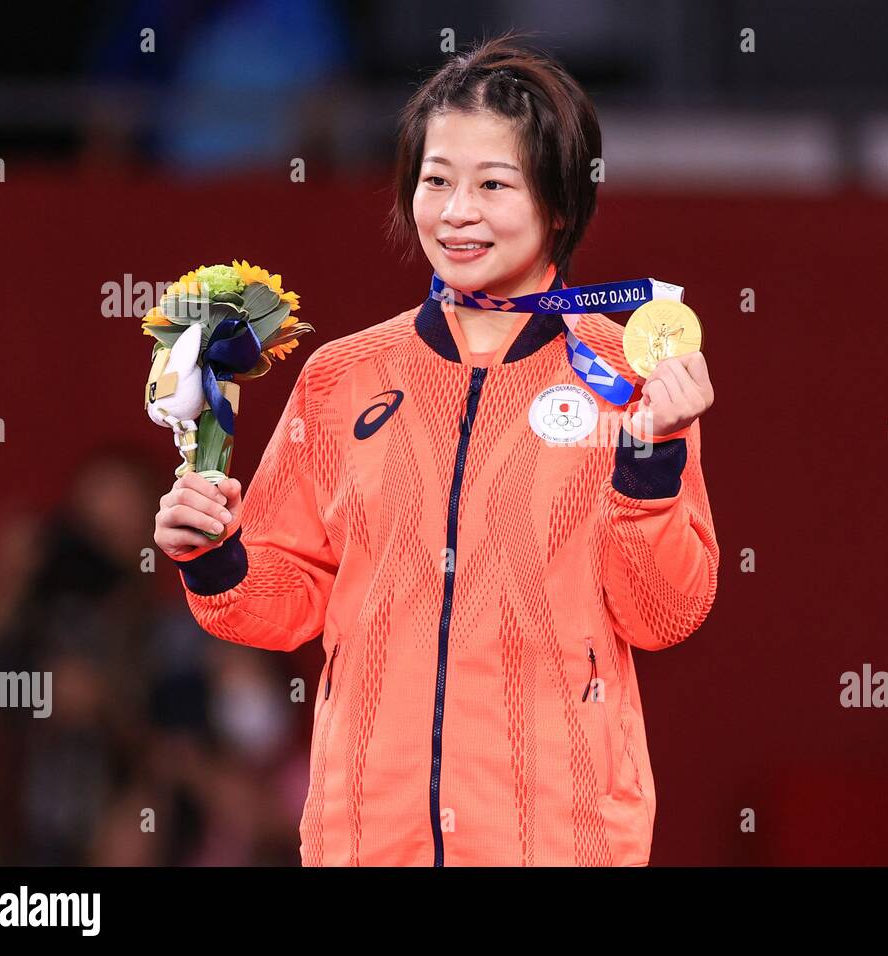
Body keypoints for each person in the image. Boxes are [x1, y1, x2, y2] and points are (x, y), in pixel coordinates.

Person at [153, 31, 719, 866]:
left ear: (560, 201)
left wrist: (651, 465)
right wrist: (216, 556)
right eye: (436, 181)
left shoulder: (632, 380)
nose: (456, 212)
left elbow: (663, 613)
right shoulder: (341, 377)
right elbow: (287, 602)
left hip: (562, 836)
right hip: (367, 835)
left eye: (493, 183)